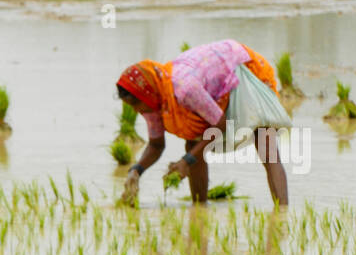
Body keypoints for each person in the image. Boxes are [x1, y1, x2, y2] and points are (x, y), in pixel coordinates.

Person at [117, 39, 290, 206]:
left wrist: (186, 161)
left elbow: (221, 124)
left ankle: (282, 212)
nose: (135, 110)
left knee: (264, 139)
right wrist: (136, 171)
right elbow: (156, 145)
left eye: (135, 104)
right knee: (192, 144)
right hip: (211, 84)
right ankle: (199, 208)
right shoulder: (152, 103)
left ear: (146, 93)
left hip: (239, 66)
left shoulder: (185, 89)